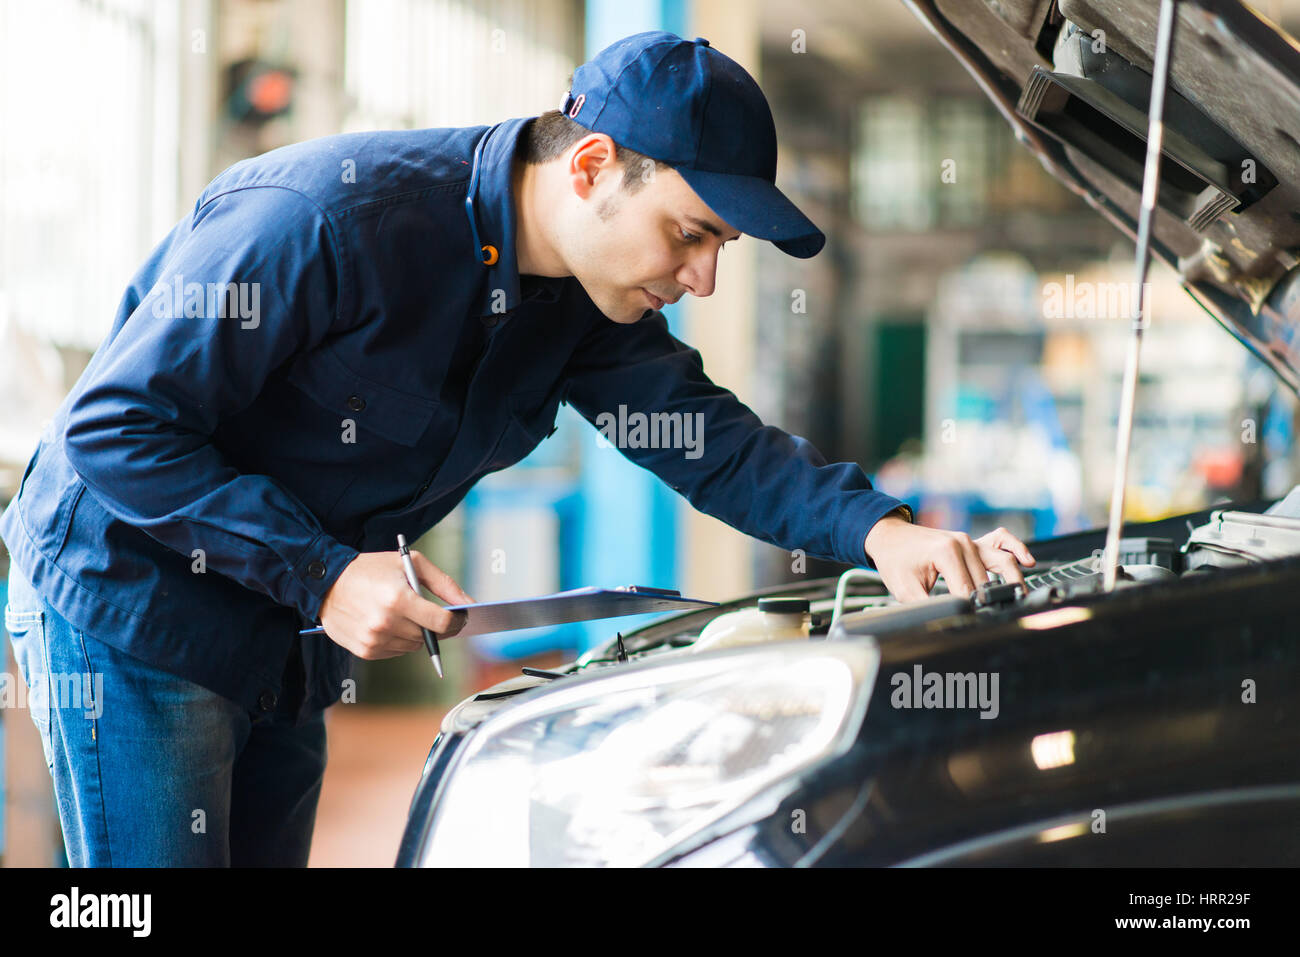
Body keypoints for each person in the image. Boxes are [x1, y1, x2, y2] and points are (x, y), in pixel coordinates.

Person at [0, 30, 1034, 866]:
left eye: (721, 246)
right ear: (592, 168)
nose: (703, 279)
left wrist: (879, 532)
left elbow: (712, 446)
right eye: (691, 233)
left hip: (284, 620)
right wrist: (321, 576)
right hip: (133, 595)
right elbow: (112, 428)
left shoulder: (583, 305)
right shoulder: (325, 219)